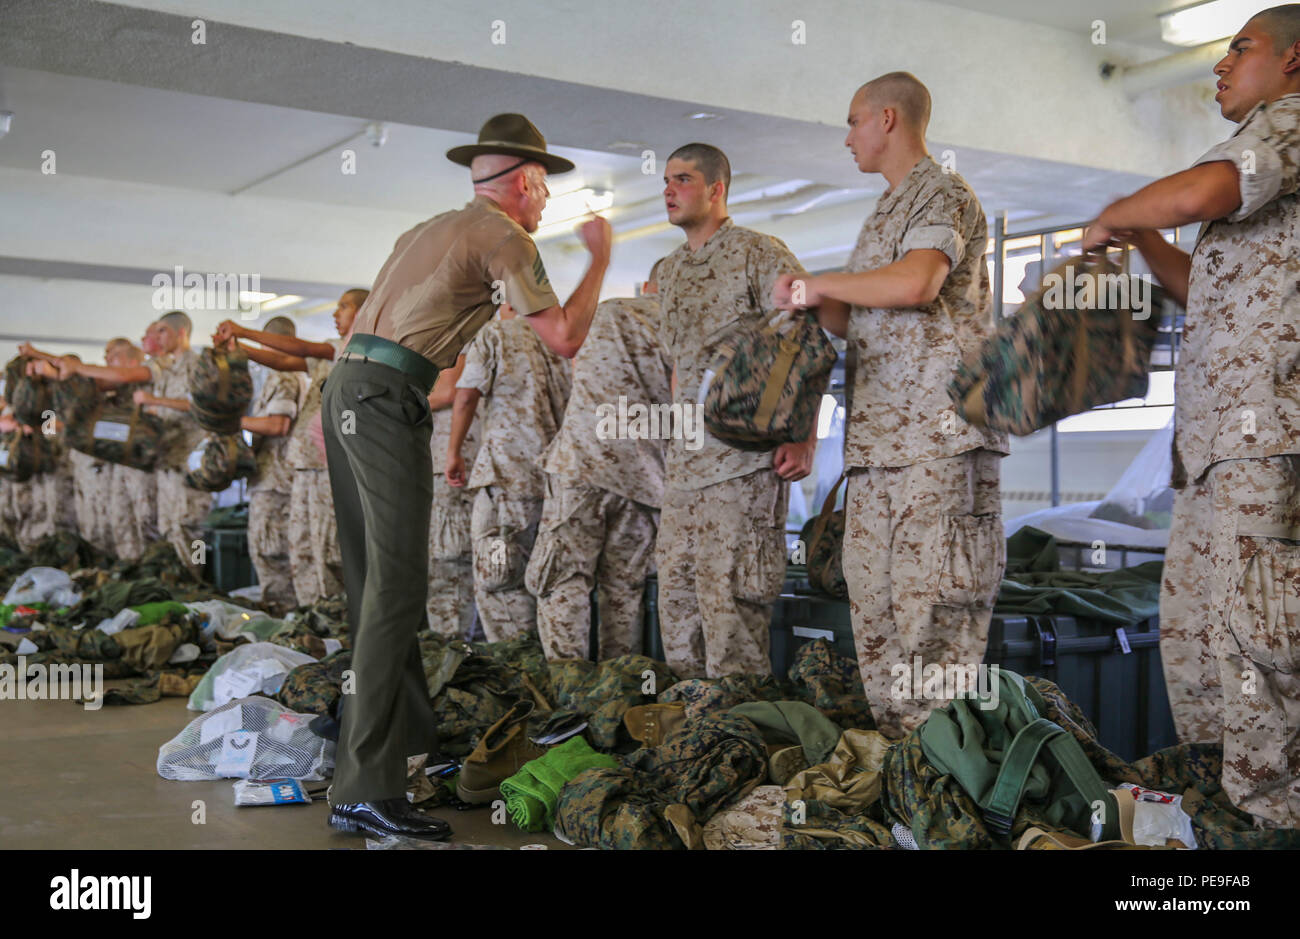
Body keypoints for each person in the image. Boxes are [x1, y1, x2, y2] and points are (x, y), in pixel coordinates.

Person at [313, 113, 611, 840]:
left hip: (350, 390)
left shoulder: (426, 228)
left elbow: (382, 336)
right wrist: (600, 258)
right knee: (398, 589)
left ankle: (406, 756)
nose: (544, 205)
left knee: (375, 589)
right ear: (525, 183)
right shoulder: (506, 236)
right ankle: (364, 786)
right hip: (386, 399)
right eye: (543, 190)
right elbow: (566, 337)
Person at [1081, 5, 1300, 828]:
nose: (1220, 65)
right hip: (1213, 451)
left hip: (1267, 441)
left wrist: (1124, 210)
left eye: (1238, 48)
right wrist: (1140, 236)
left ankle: (1272, 825)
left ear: (1292, 60)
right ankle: (1222, 814)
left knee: (1258, 645)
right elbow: (1197, 291)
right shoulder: (1264, 161)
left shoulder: (1289, 123)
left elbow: (1210, 185)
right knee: (1202, 644)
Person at [775, 73, 1009, 740]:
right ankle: (909, 784)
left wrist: (818, 282)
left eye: (852, 122)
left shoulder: (942, 192)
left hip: (938, 445)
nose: (847, 138)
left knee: (932, 624)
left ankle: (944, 794)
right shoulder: (884, 213)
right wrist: (819, 302)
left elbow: (916, 283)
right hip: (878, 449)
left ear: (886, 119)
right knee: (875, 624)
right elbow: (869, 323)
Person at [655, 143, 816, 680]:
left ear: (716, 189)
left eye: (682, 179)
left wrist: (805, 438)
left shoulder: (757, 253)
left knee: (731, 613)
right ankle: (695, 734)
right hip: (684, 470)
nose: (668, 190)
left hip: (744, 465)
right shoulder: (669, 269)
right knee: (677, 606)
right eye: (666, 181)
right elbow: (679, 364)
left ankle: (740, 737)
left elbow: (804, 345)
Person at [525, 260, 672, 661]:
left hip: (583, 466)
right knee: (625, 589)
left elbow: (570, 353)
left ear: (646, 285)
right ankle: (616, 694)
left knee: (564, 581)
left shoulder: (610, 310)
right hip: (647, 482)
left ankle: (569, 696)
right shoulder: (693, 329)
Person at [217, 289, 365, 606]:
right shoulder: (330, 359)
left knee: (328, 551)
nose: (335, 313)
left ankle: (335, 623)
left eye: (344, 307)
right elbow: (285, 360)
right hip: (305, 465)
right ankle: (310, 617)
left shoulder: (359, 351)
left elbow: (300, 348)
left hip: (332, 467)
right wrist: (240, 348)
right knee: (301, 548)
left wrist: (243, 332)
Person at [445, 303, 570, 642]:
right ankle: (546, 661)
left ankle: (516, 668)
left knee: (498, 575)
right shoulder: (567, 341)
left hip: (507, 475)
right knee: (544, 575)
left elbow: (466, 396)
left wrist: (454, 451)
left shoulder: (496, 334)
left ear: (510, 303)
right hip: (556, 479)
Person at [60, 312, 213, 576]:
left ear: (181, 332)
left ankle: (197, 581)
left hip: (189, 466)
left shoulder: (199, 365)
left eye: (162, 331)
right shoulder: (162, 368)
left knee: (193, 531)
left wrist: (155, 401)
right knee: (166, 529)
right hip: (165, 462)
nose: (155, 337)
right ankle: (169, 583)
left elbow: (203, 406)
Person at [237, 316, 308, 613]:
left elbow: (278, 424)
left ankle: (284, 617)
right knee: (271, 551)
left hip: (276, 481)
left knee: (271, 550)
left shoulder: (284, 377)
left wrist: (232, 422)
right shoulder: (283, 376)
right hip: (271, 476)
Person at [425, 355, 481, 639]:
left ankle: (453, 650)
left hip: (452, 461)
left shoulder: (461, 335)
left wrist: (398, 403)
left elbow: (449, 391)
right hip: (448, 459)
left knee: (449, 559)